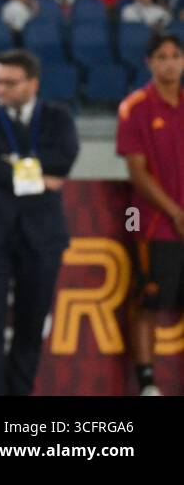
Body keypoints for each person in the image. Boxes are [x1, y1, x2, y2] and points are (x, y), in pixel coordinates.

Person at [0, 50, 79, 396]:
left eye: (10, 83)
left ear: (33, 84)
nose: (0, 89)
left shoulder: (58, 117)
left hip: (42, 237)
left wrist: (11, 166)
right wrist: (36, 175)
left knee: (31, 327)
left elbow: (62, 160)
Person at [116, 31, 184, 396]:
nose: (170, 62)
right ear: (149, 63)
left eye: (175, 55)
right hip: (156, 225)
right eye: (162, 56)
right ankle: (147, 384)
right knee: (149, 302)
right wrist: (176, 213)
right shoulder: (135, 106)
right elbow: (137, 172)